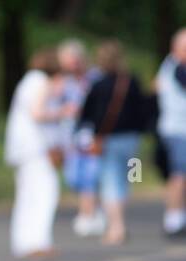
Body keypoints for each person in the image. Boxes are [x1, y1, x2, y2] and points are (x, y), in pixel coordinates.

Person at [78, 41, 148, 246]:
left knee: (110, 181)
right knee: (124, 179)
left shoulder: (98, 85)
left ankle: (116, 227)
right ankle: (119, 222)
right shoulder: (131, 82)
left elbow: (87, 114)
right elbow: (143, 110)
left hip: (106, 139)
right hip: (131, 139)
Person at [5, 49, 66, 258]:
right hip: (35, 148)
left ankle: (23, 241)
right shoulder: (41, 82)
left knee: (26, 194)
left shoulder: (28, 81)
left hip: (22, 147)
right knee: (45, 191)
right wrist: (63, 112)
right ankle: (39, 241)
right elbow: (38, 113)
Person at [54, 39, 102, 236]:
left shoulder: (96, 78)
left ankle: (87, 214)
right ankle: (93, 211)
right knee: (74, 177)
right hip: (69, 136)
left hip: (91, 132)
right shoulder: (62, 82)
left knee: (89, 176)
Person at [156, 28, 186, 238]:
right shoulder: (177, 69)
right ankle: (174, 218)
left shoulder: (169, 67)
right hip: (178, 130)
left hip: (174, 129)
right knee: (179, 174)